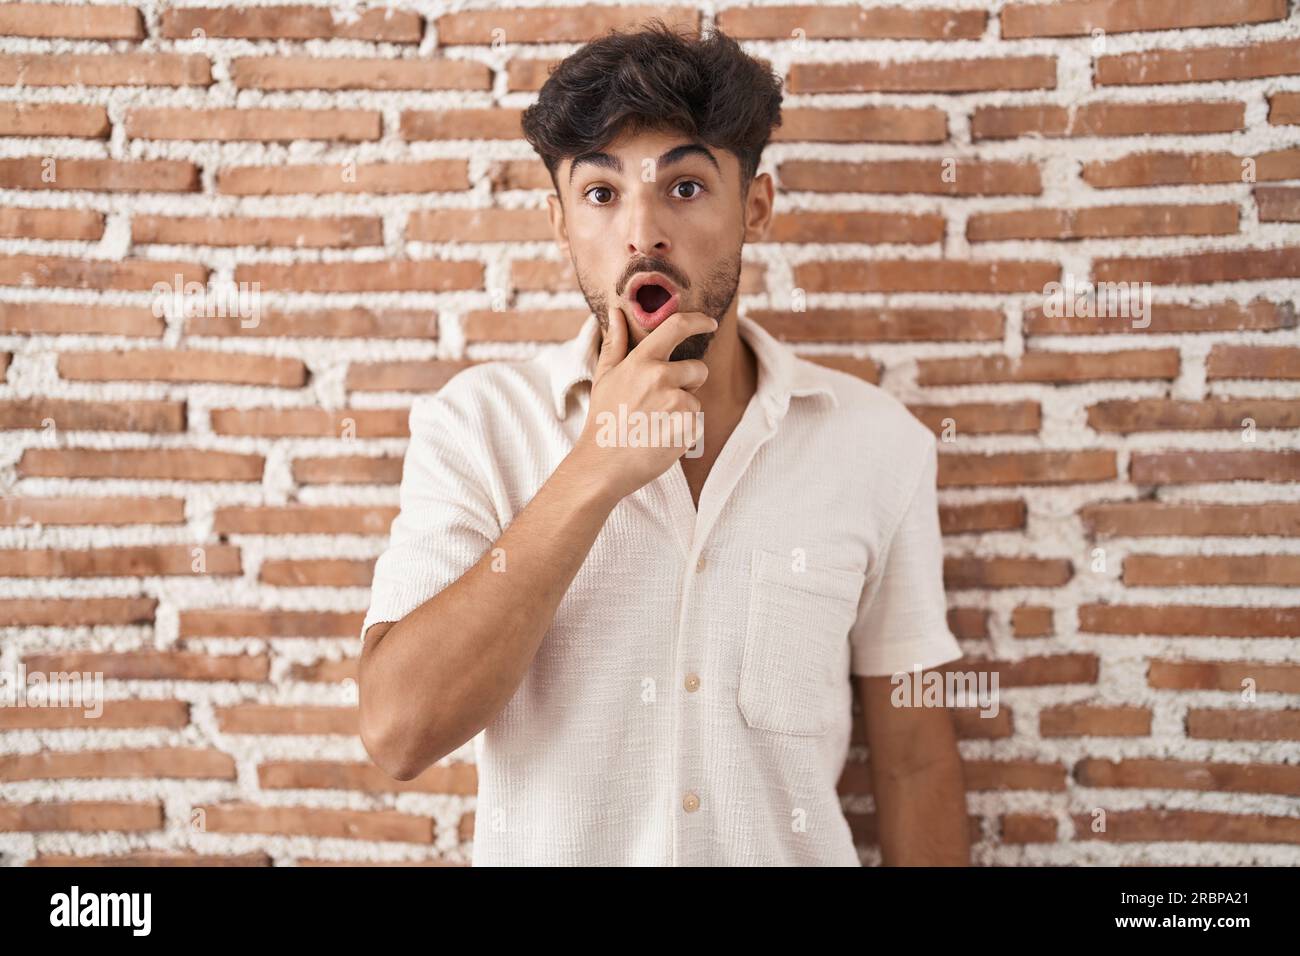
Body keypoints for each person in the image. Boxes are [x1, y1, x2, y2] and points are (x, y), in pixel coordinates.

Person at [358, 21, 969, 866]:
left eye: (684, 187)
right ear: (561, 221)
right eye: (602, 194)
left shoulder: (878, 447)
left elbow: (912, 766)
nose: (642, 232)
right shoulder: (474, 426)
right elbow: (398, 731)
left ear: (754, 206)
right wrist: (594, 469)